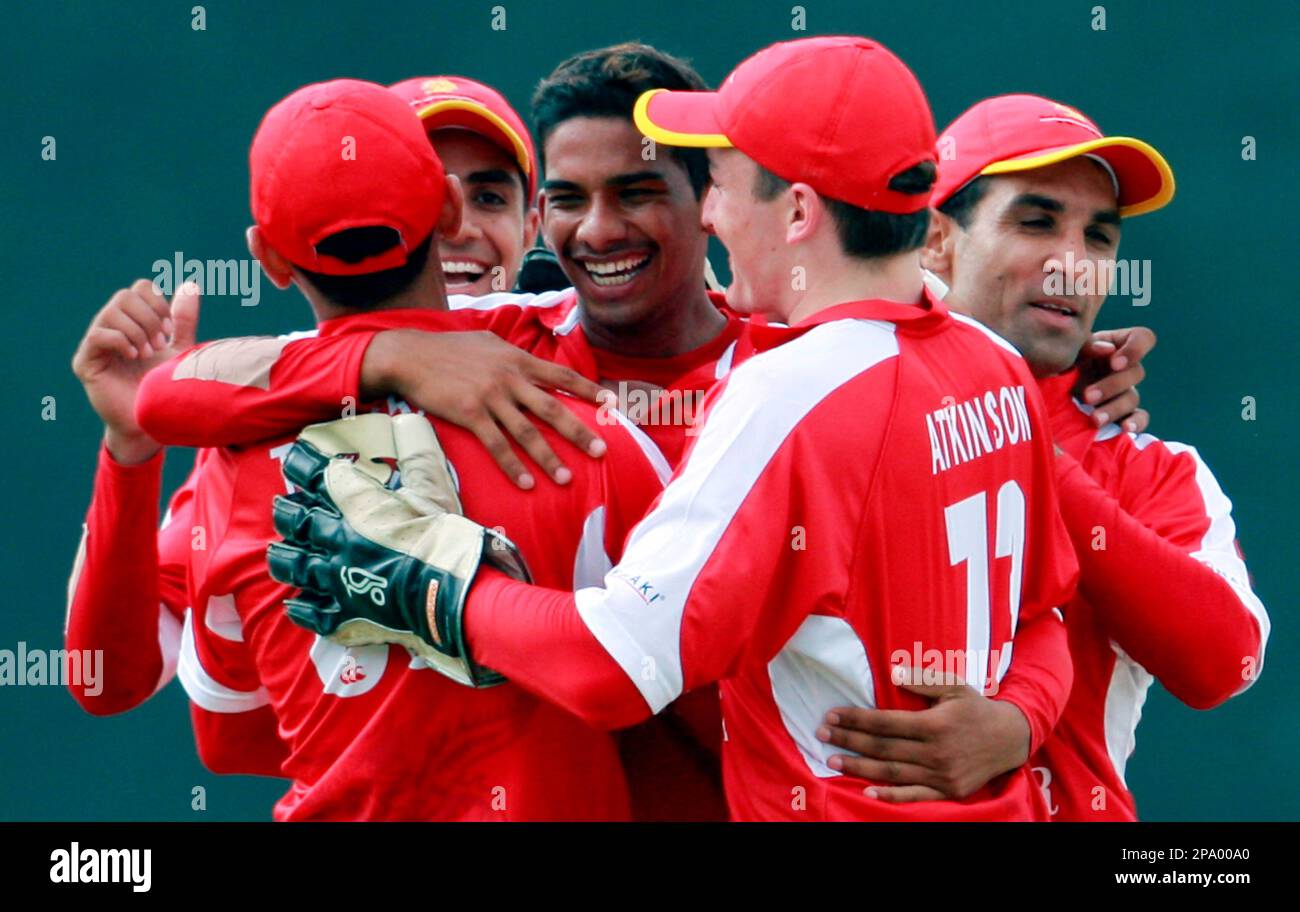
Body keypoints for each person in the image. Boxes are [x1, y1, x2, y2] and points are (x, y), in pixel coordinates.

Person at [271, 37, 1082, 821]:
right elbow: (1046, 609)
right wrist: (1026, 714)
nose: (715, 213)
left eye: (720, 183)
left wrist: (427, 582)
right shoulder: (990, 360)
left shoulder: (788, 394)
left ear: (798, 210)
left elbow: (611, 667)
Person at [820, 94, 1269, 820]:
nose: (1073, 265)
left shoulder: (1155, 468)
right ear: (936, 240)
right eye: (1036, 222)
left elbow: (1225, 662)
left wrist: (1023, 439)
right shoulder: (823, 396)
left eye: (1099, 238)